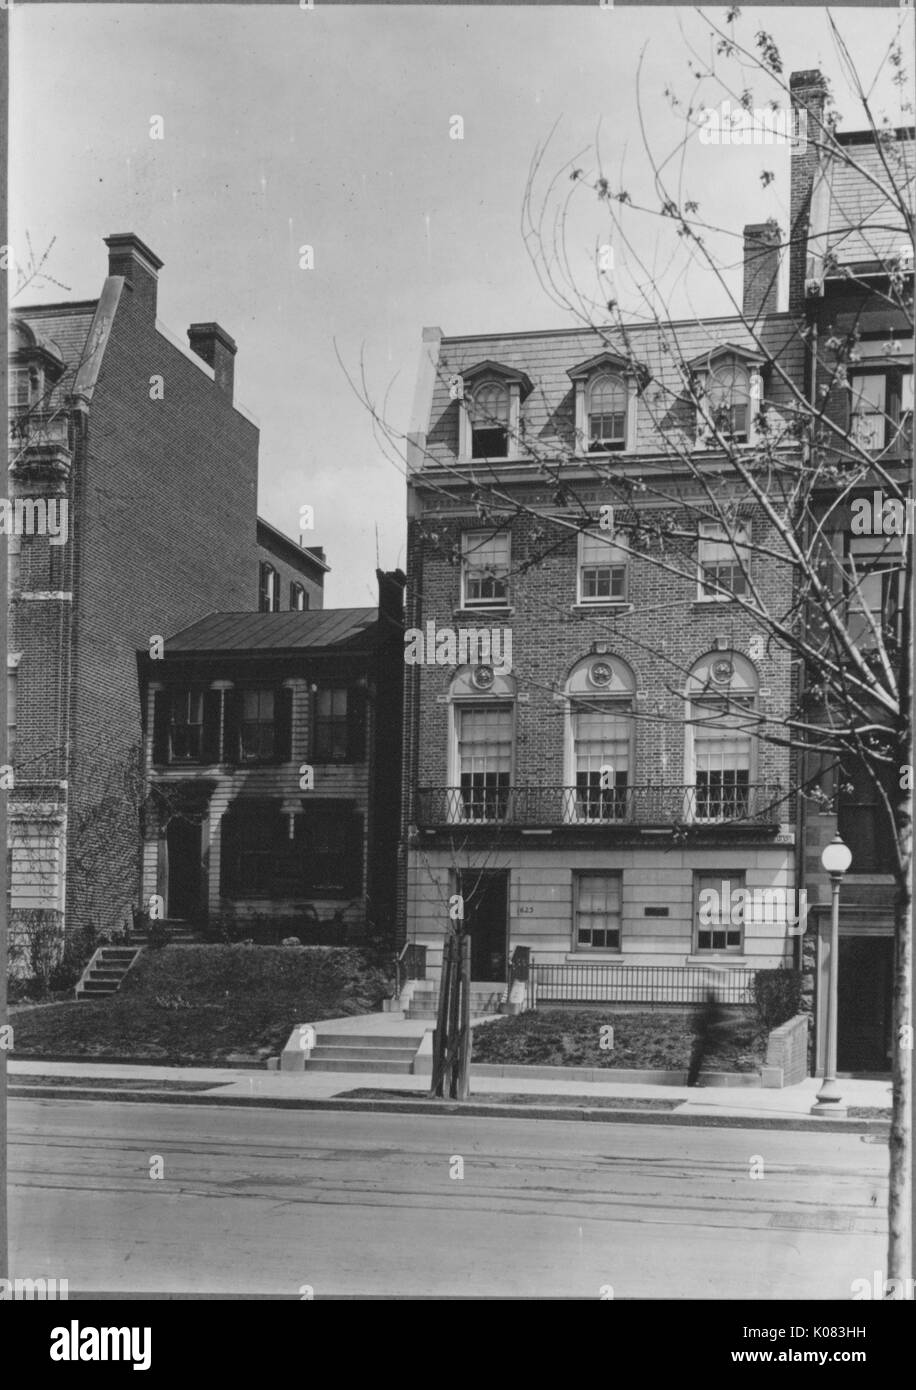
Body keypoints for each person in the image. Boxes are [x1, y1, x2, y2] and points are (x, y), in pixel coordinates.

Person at [687, 988, 731, 1086]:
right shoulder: (711, 1009)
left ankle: (692, 1080)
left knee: (698, 1057)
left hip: (706, 1036)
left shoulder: (708, 1008)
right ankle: (692, 1081)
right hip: (708, 1036)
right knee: (698, 1057)